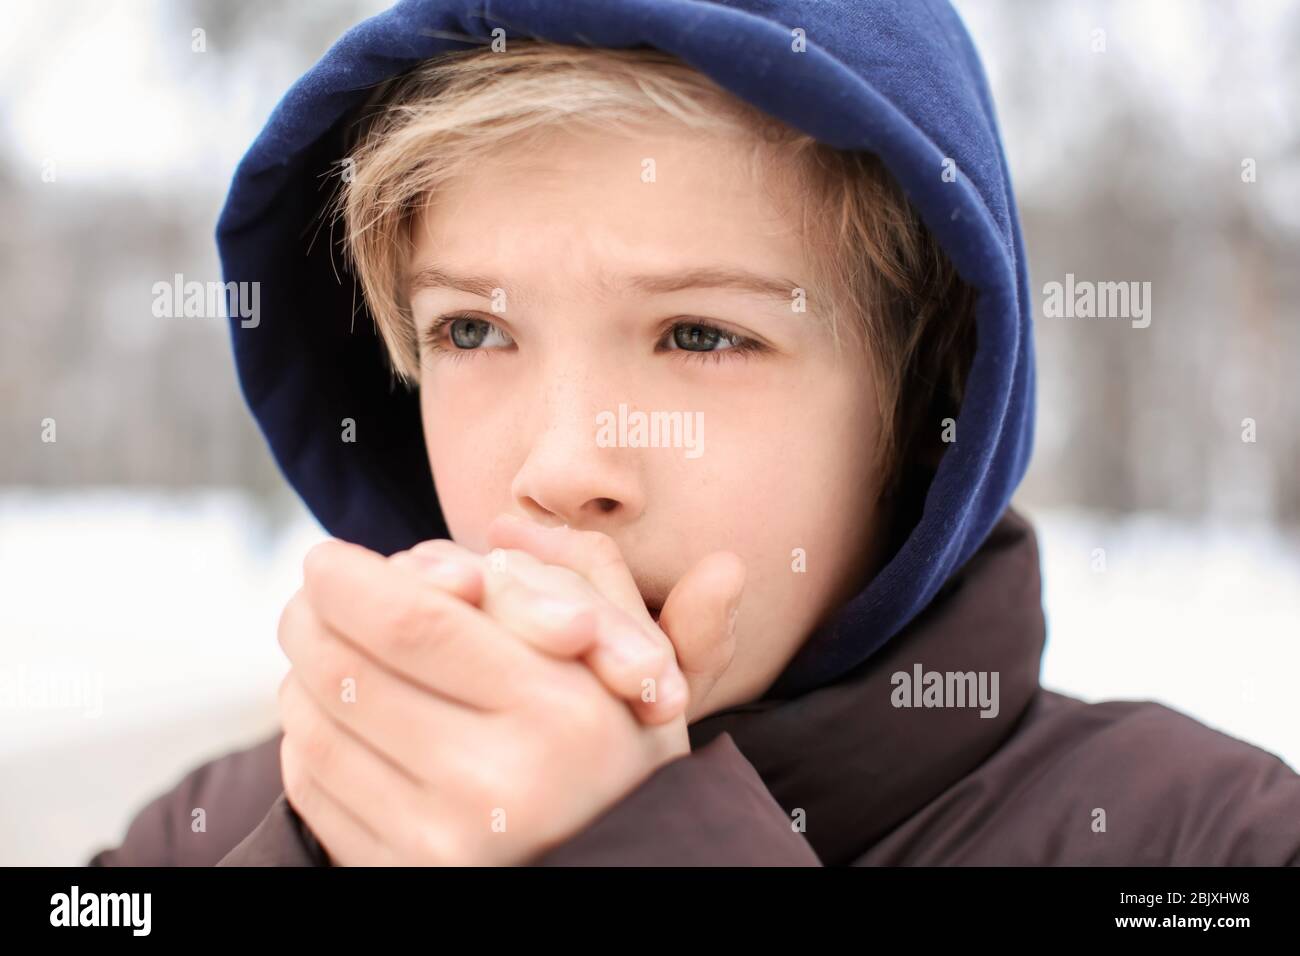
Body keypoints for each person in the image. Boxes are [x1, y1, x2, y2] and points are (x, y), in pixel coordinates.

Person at [89, 0, 1300, 866]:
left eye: (700, 336)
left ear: (922, 401)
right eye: (470, 331)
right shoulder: (207, 832)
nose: (562, 468)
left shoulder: (1207, 840)